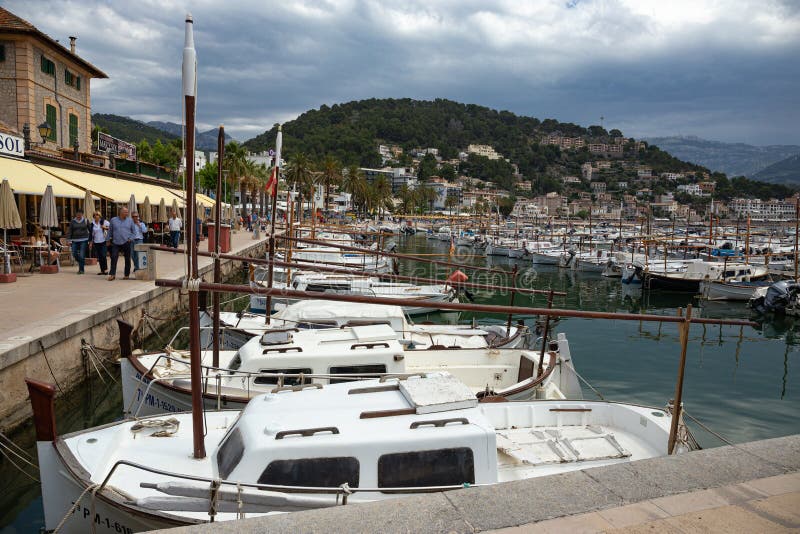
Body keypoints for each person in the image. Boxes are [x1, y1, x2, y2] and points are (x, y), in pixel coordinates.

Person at [106, 207, 136, 281]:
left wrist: (130, 239)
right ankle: (112, 274)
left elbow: (134, 232)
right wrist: (107, 240)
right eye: (125, 212)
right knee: (114, 258)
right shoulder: (113, 220)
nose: (127, 213)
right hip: (115, 242)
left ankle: (126, 274)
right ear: (120, 212)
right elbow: (110, 231)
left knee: (127, 259)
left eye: (127, 212)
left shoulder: (130, 221)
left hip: (126, 242)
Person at [65, 209, 91, 274]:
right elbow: (70, 231)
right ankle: (82, 261)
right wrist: (68, 240)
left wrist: (91, 240)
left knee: (82, 255)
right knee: (74, 254)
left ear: (82, 214)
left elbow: (90, 230)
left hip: (84, 240)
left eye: (80, 214)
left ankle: (81, 270)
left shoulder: (85, 220)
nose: (78, 216)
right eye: (77, 214)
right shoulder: (73, 221)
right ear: (76, 214)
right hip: (74, 240)